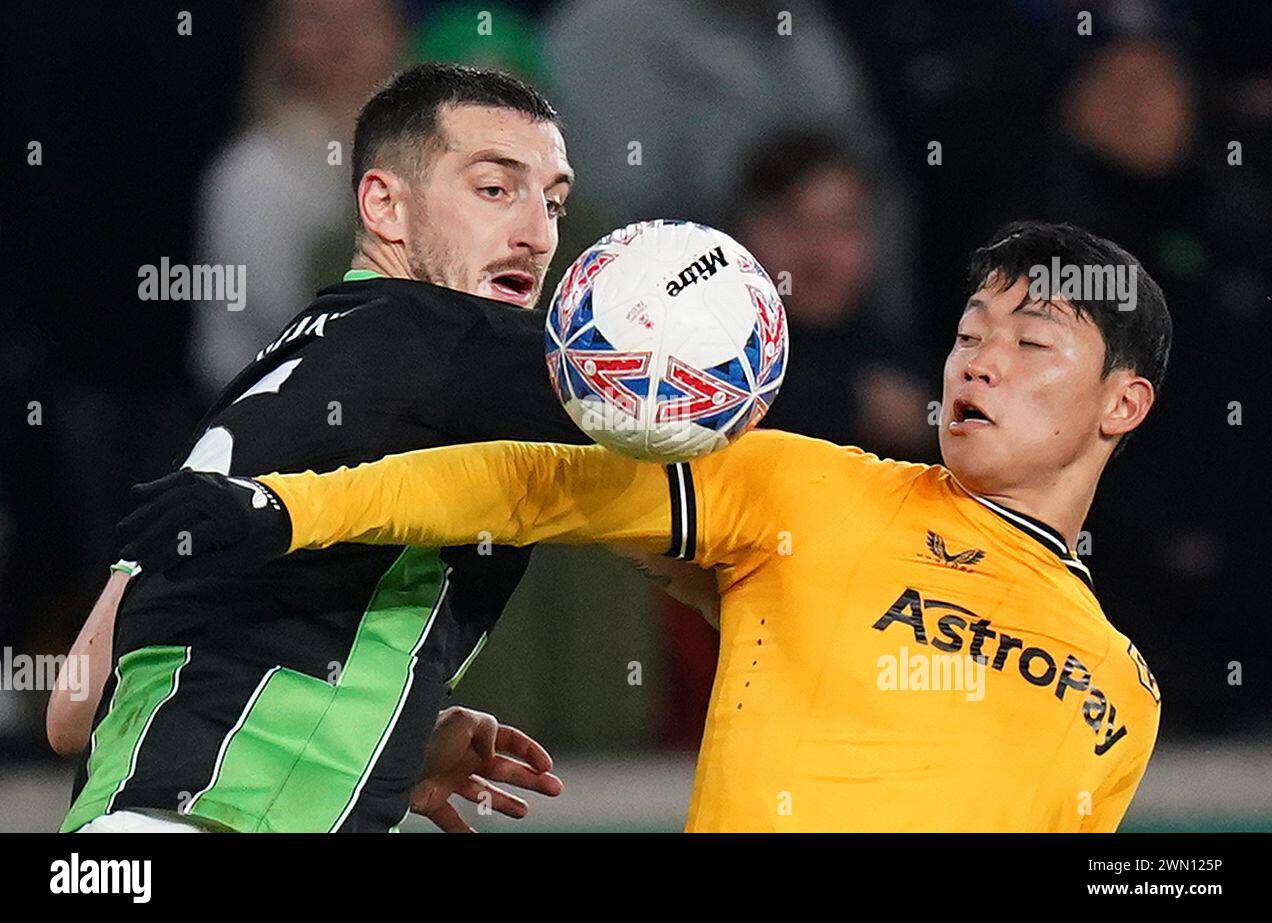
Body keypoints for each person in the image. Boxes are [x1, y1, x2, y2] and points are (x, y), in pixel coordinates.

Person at [121, 221, 1171, 832]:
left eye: (1031, 342)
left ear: (1124, 405)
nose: (977, 362)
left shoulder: (1126, 689)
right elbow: (536, 484)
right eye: (967, 334)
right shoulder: (809, 489)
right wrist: (292, 503)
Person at [49, 62, 607, 833]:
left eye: (554, 203)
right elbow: (704, 460)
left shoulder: (263, 384)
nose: (537, 233)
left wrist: (384, 734)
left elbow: (73, 707)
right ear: (384, 203)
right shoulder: (458, 339)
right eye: (494, 189)